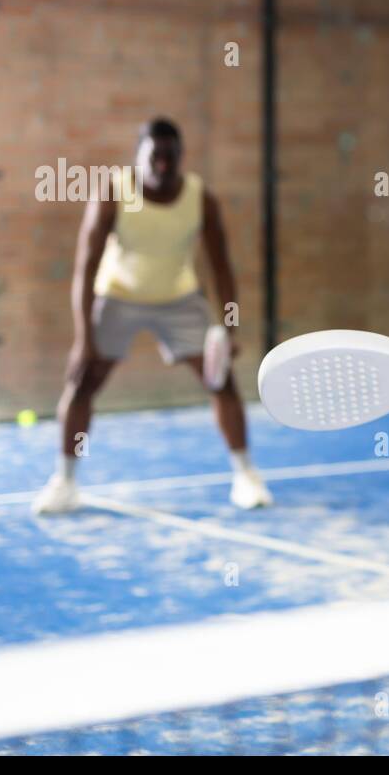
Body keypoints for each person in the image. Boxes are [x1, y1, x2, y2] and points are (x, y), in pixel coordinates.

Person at [32, 118, 273, 514]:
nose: (163, 164)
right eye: (155, 156)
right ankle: (65, 481)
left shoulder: (200, 199)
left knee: (222, 380)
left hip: (178, 297)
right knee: (82, 383)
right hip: (118, 296)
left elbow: (221, 267)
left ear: (181, 157)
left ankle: (246, 476)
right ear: (139, 158)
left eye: (171, 156)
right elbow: (84, 269)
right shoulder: (112, 193)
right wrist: (83, 340)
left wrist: (229, 329)